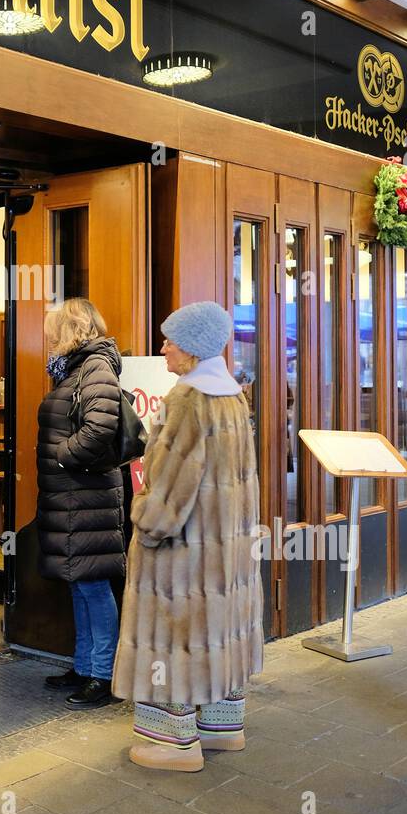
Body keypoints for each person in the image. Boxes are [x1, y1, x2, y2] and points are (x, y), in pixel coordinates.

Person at [113, 301, 264, 770]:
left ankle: (173, 744)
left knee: (174, 640)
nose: (163, 349)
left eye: (170, 342)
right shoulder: (232, 396)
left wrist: (144, 519)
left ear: (193, 349)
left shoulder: (187, 400)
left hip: (183, 556)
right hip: (227, 552)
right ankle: (222, 727)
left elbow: (173, 490)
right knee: (217, 634)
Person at [37, 298, 126, 708]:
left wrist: (61, 455)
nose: (48, 336)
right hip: (72, 496)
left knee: (92, 585)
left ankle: (103, 676)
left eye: (53, 328)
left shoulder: (95, 366)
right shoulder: (76, 368)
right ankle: (86, 666)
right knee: (80, 583)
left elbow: (101, 426)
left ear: (69, 329)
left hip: (85, 495)